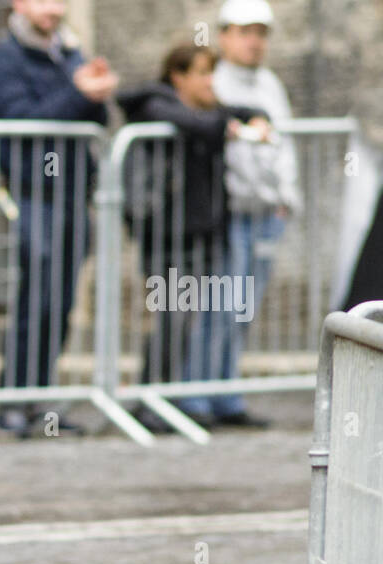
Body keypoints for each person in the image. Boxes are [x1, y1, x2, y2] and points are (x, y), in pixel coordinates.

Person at [118, 44, 270, 432]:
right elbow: (201, 124)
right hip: (167, 237)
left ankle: (166, 398)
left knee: (188, 322)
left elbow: (241, 113)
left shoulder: (208, 110)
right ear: (178, 77)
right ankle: (150, 401)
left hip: (202, 234)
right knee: (171, 319)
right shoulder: (157, 105)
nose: (209, 82)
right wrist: (230, 124)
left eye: (211, 73)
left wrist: (257, 118)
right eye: (201, 73)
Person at [0, 0, 116, 437]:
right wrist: (78, 92)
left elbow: (92, 117)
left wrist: (96, 93)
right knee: (35, 300)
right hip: (34, 191)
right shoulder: (6, 56)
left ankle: (41, 399)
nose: (53, 8)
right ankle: (13, 400)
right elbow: (21, 119)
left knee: (60, 303)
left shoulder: (69, 51)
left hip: (75, 193)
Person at [205, 0, 299, 427]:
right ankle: (201, 392)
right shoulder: (216, 82)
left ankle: (228, 394)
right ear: (224, 35)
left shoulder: (270, 86)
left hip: (266, 211)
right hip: (232, 211)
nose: (254, 42)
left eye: (260, 33)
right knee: (219, 305)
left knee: (244, 307)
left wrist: (286, 196)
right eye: (245, 32)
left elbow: (285, 144)